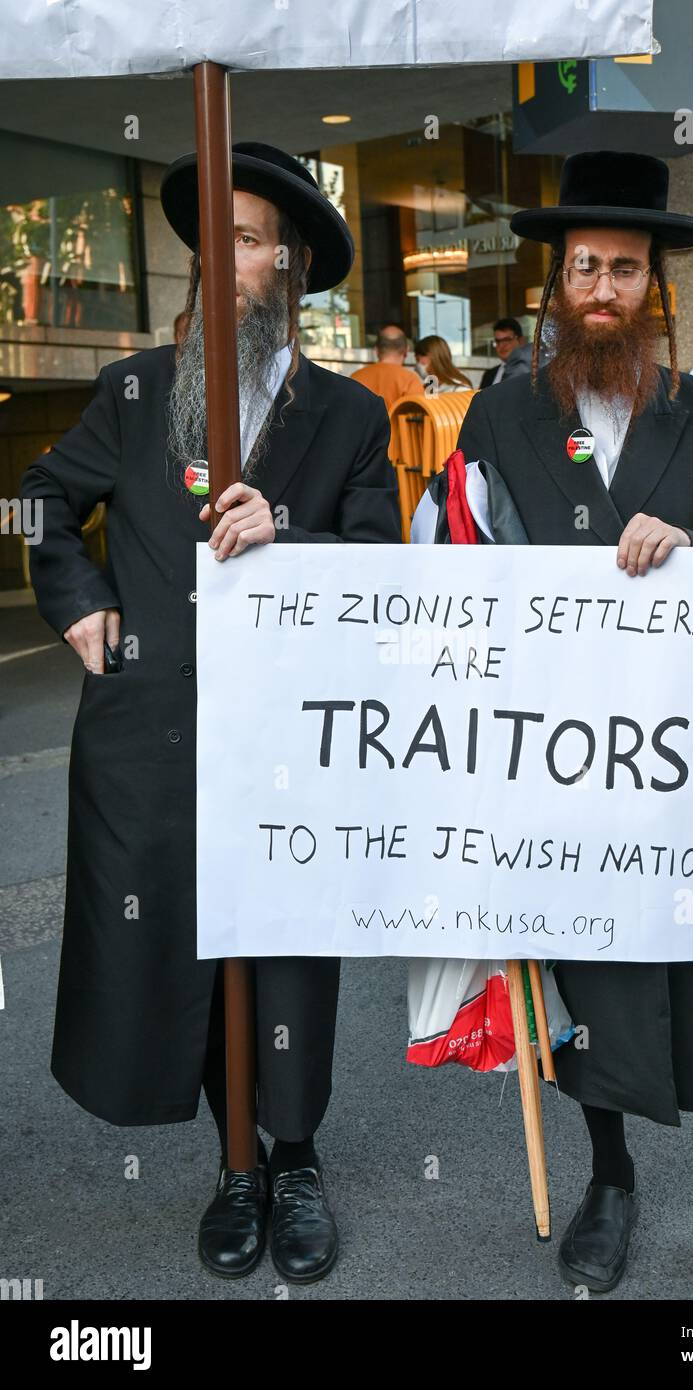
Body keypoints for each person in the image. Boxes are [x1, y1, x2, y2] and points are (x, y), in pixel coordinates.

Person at [19, 142, 401, 1286]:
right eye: (213, 238)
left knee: (283, 953)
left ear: (285, 263)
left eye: (246, 238)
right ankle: (232, 1165)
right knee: (174, 944)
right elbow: (36, 499)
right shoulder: (136, 389)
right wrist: (77, 603)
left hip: (290, 743)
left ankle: (294, 1158)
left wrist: (290, 529)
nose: (224, 257)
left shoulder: (344, 415)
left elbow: (385, 565)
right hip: (150, 737)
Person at [454, 150, 693, 1301]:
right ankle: (608, 1183)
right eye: (583, 268)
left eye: (624, 268)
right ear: (554, 284)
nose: (603, 288)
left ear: (651, 286)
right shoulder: (501, 412)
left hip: (682, 760)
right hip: (560, 762)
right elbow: (457, 579)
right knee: (590, 988)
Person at [351, 323, 425, 410]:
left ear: (376, 350)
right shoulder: (410, 381)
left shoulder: (355, 377)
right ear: (406, 351)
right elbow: (418, 418)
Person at [480, 317, 525, 387]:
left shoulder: (531, 371)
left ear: (521, 341)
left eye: (506, 340)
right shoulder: (489, 375)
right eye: (498, 341)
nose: (501, 345)